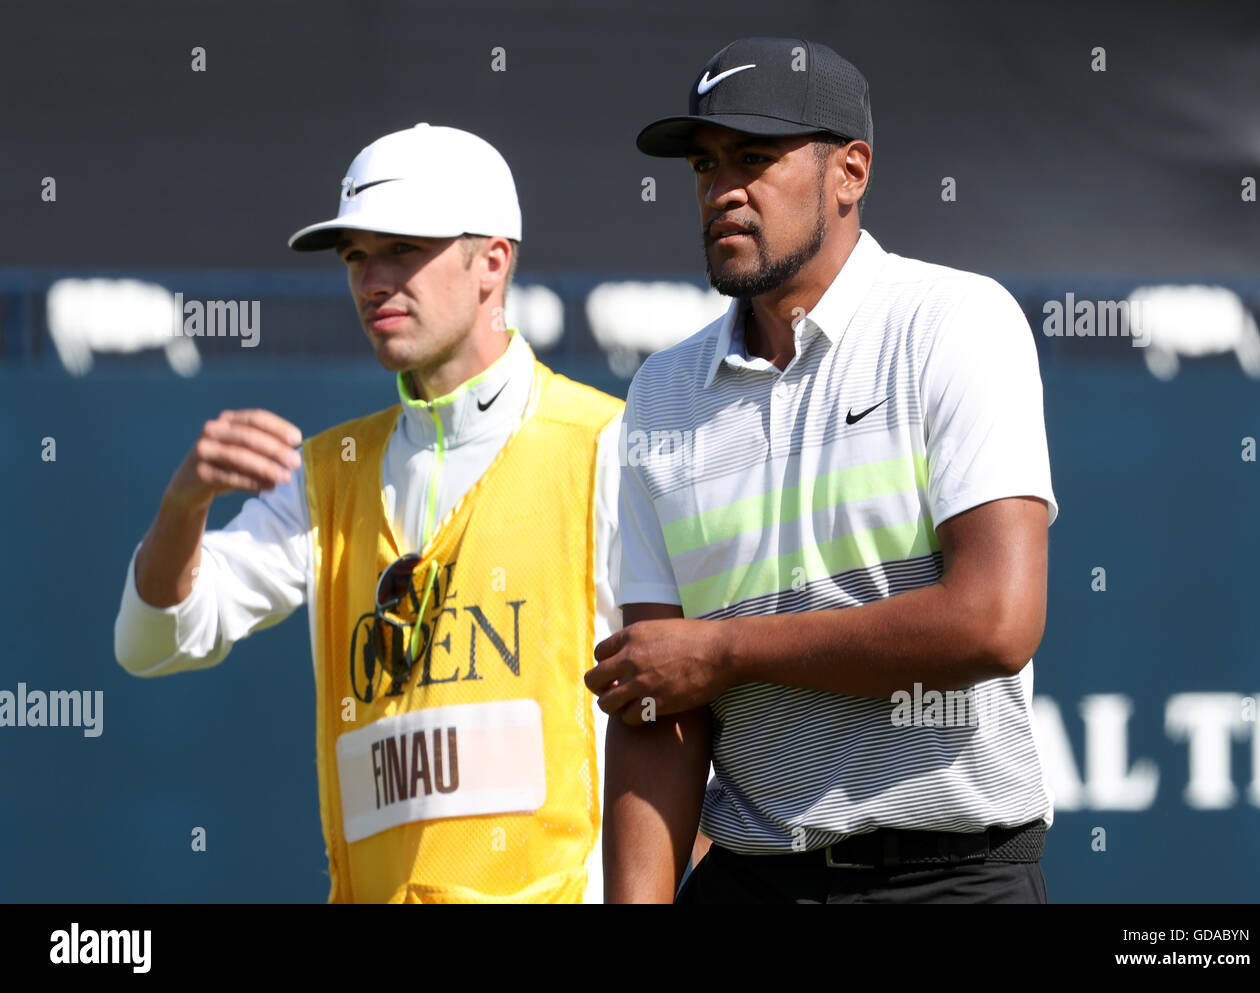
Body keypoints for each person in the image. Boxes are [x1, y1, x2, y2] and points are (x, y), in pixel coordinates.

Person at [587, 37, 1058, 904]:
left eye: (755, 157)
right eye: (705, 165)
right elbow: (660, 691)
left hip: (950, 880)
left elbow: (995, 620)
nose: (723, 188)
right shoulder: (660, 392)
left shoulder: (955, 321)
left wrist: (727, 650)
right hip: (748, 881)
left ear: (851, 172)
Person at [114, 123, 624, 904]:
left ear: (493, 259)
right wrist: (182, 505)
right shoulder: (325, 478)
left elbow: (705, 722)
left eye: (402, 249)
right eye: (356, 255)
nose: (372, 279)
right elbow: (152, 641)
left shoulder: (608, 444)